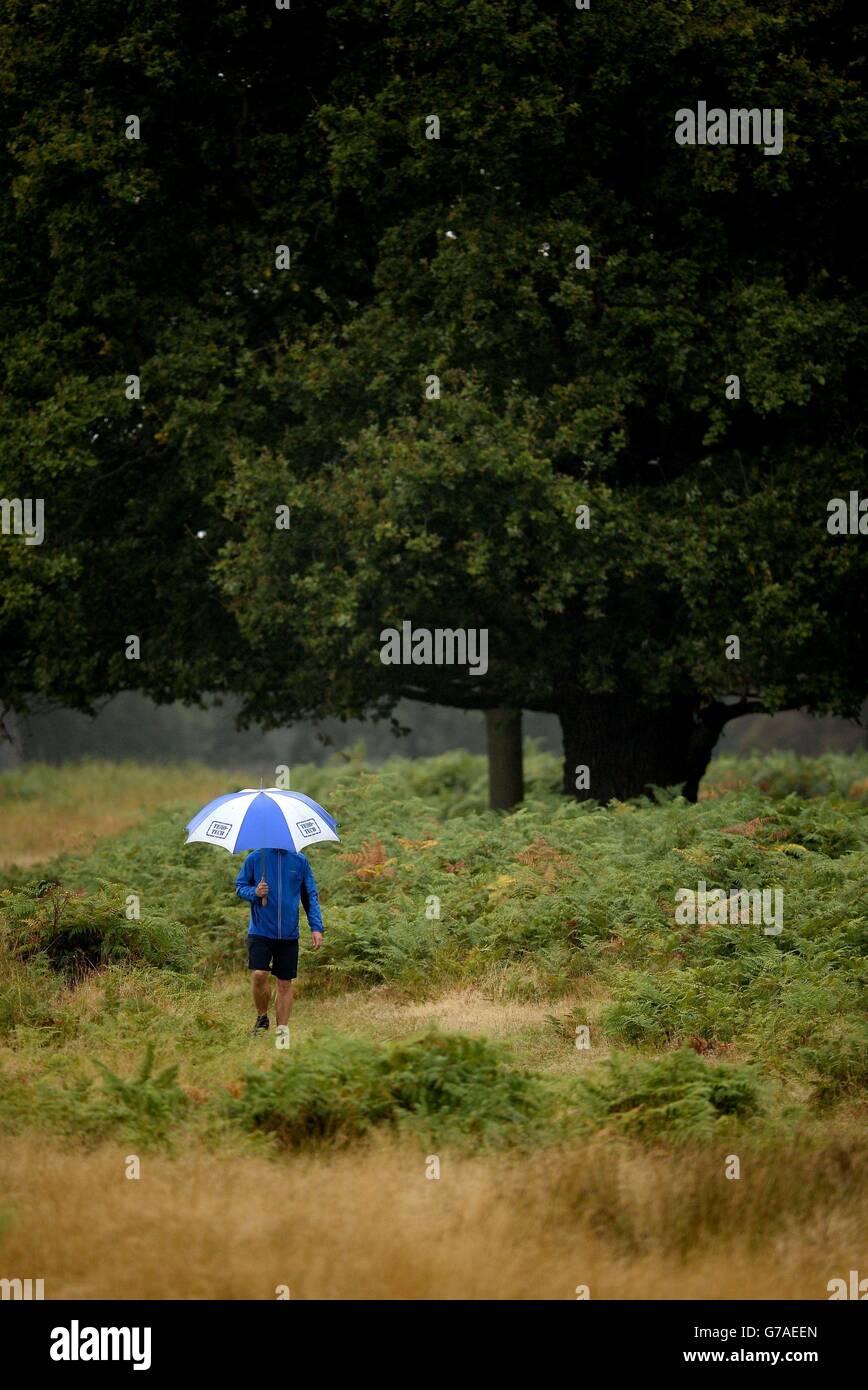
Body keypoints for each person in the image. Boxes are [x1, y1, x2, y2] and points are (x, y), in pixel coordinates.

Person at [235, 847, 324, 1045]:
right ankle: (262, 1017)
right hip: (260, 930)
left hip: (288, 934)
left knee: (284, 983)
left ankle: (282, 1036)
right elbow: (240, 887)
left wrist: (316, 927)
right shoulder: (256, 858)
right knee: (259, 975)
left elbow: (310, 896)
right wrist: (255, 892)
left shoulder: (300, 861)